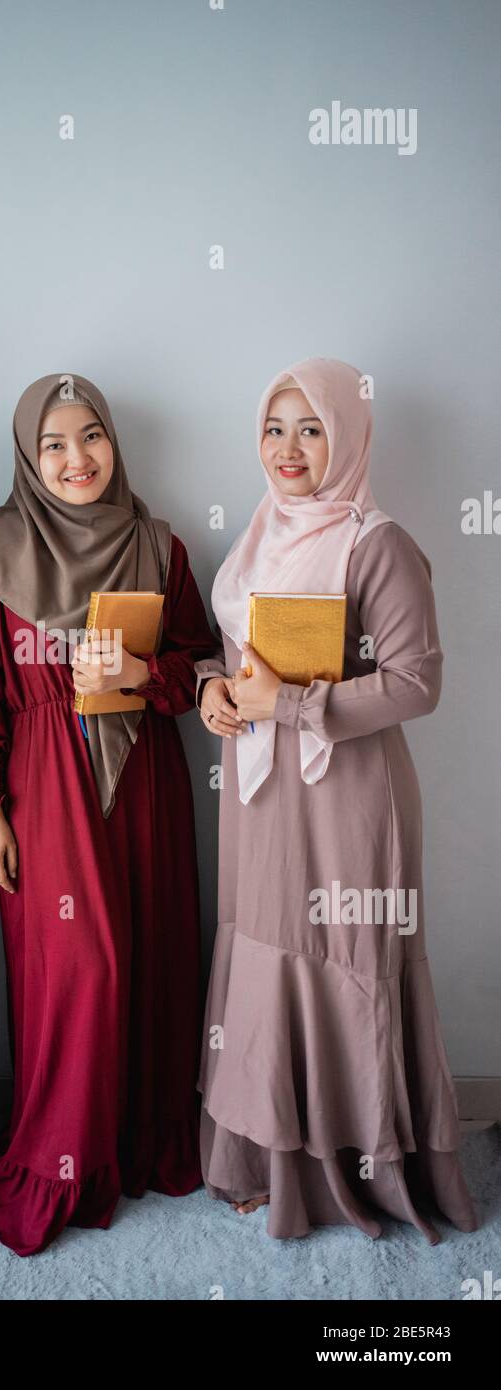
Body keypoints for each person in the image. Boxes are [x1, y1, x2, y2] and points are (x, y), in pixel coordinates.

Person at [195, 357, 478, 1242]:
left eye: (310, 428)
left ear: (347, 438)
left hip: (349, 793)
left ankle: (358, 1176)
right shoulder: (258, 533)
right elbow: (235, 651)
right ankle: (268, 1164)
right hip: (258, 793)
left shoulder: (376, 541)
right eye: (275, 428)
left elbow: (415, 684)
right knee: (269, 957)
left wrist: (288, 705)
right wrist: (212, 685)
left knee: (344, 955)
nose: (288, 449)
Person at [0, 372, 214, 1255]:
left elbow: (198, 664)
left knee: (151, 953)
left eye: (91, 436)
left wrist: (142, 676)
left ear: (114, 442)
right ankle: (66, 1157)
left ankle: (143, 1141)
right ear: (29, 454)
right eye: (55, 443)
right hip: (43, 784)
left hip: (145, 778)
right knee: (79, 973)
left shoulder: (159, 545)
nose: (76, 459)